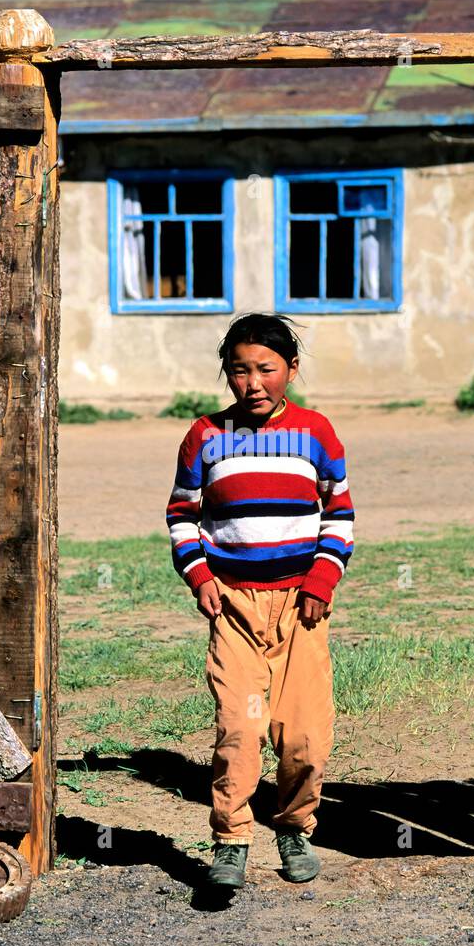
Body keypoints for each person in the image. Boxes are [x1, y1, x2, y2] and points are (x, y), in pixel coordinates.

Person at [164, 313, 355, 888]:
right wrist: (200, 579)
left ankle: (295, 828)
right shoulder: (205, 436)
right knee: (240, 730)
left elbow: (340, 514)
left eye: (265, 370)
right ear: (226, 373)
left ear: (290, 370)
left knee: (302, 734)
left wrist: (322, 581)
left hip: (301, 608)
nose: (252, 383)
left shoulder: (317, 432)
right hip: (235, 609)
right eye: (239, 370)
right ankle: (231, 840)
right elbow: (181, 514)